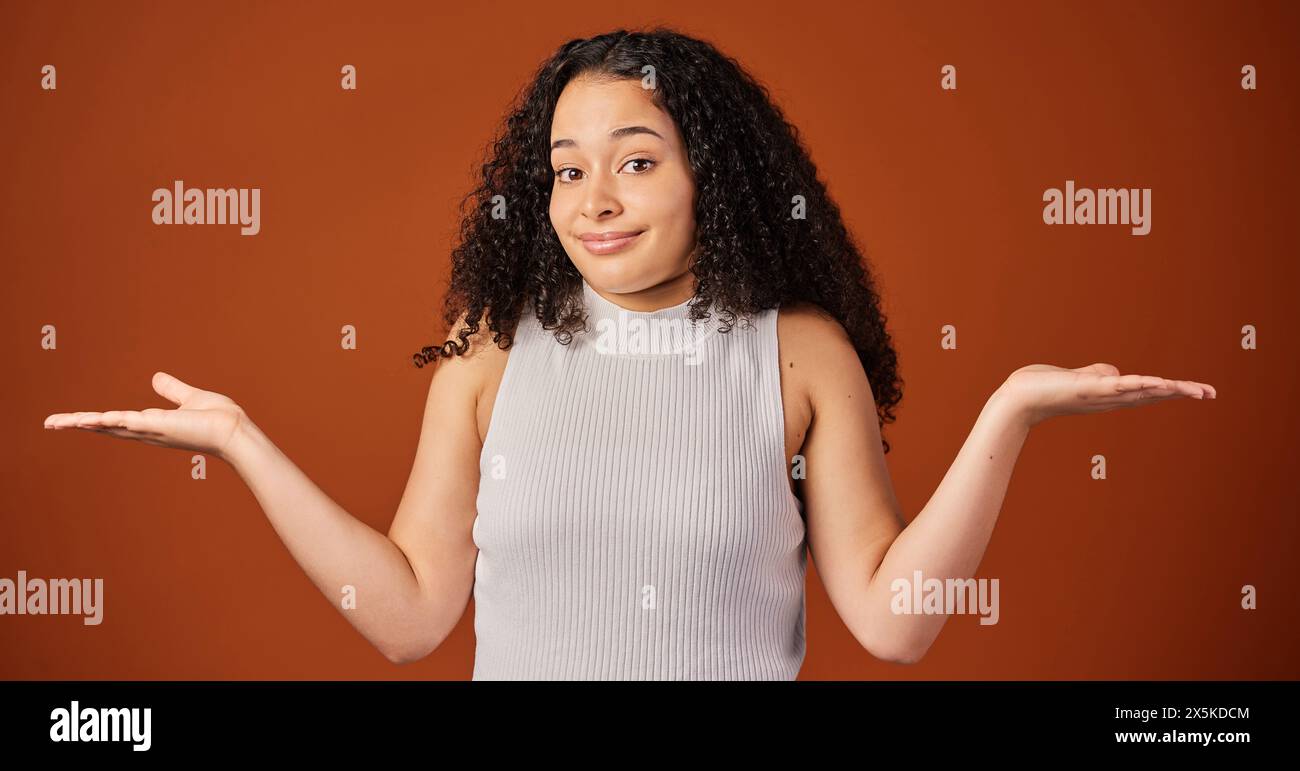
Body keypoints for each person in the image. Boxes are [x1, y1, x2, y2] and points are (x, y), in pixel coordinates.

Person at [42, 27, 1216, 679]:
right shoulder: (489, 354)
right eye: (565, 166)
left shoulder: (798, 357)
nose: (592, 199)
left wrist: (1007, 412)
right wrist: (243, 445)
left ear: (720, 179)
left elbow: (897, 624)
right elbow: (405, 619)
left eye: (638, 159)